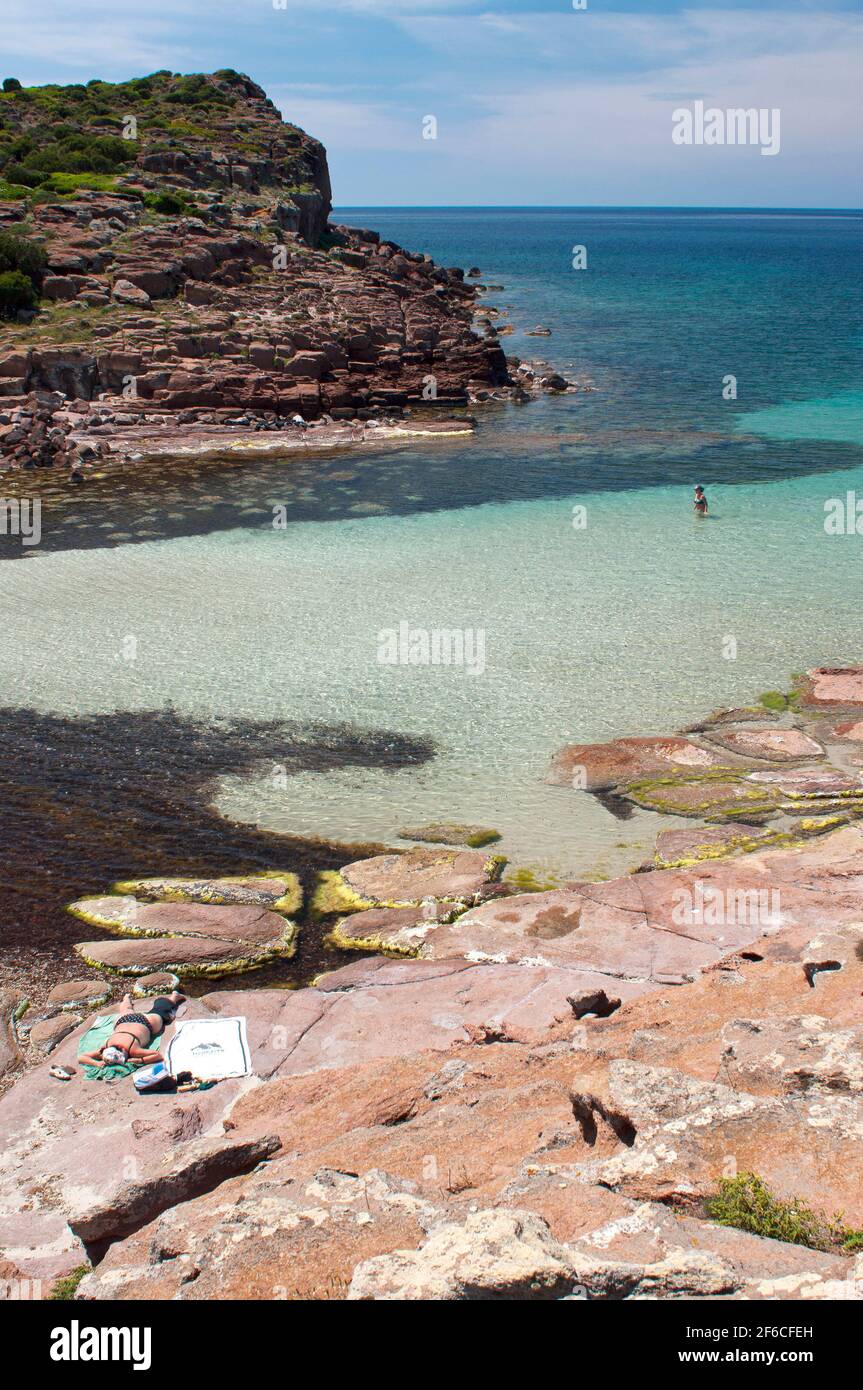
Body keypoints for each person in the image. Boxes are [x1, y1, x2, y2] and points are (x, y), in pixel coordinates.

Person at [78, 990, 186, 1068]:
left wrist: (140, 1060)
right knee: (126, 1009)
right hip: (124, 1020)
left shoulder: (132, 1050)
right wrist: (96, 1063)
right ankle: (126, 998)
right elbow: (81, 1057)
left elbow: (158, 1055)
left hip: (145, 1022)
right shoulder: (104, 1048)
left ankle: (174, 997)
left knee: (161, 1012)